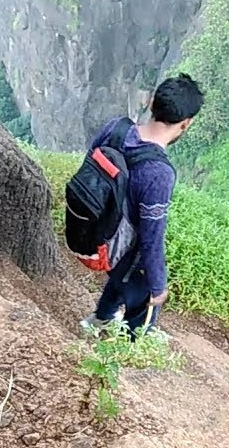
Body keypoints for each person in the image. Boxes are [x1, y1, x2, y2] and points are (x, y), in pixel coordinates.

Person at [80, 74, 204, 338]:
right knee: (144, 298)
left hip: (96, 228)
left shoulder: (116, 129)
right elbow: (151, 238)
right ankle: (132, 347)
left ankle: (100, 320)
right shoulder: (159, 173)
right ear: (185, 124)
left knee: (120, 277)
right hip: (123, 248)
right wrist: (159, 287)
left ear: (151, 105)